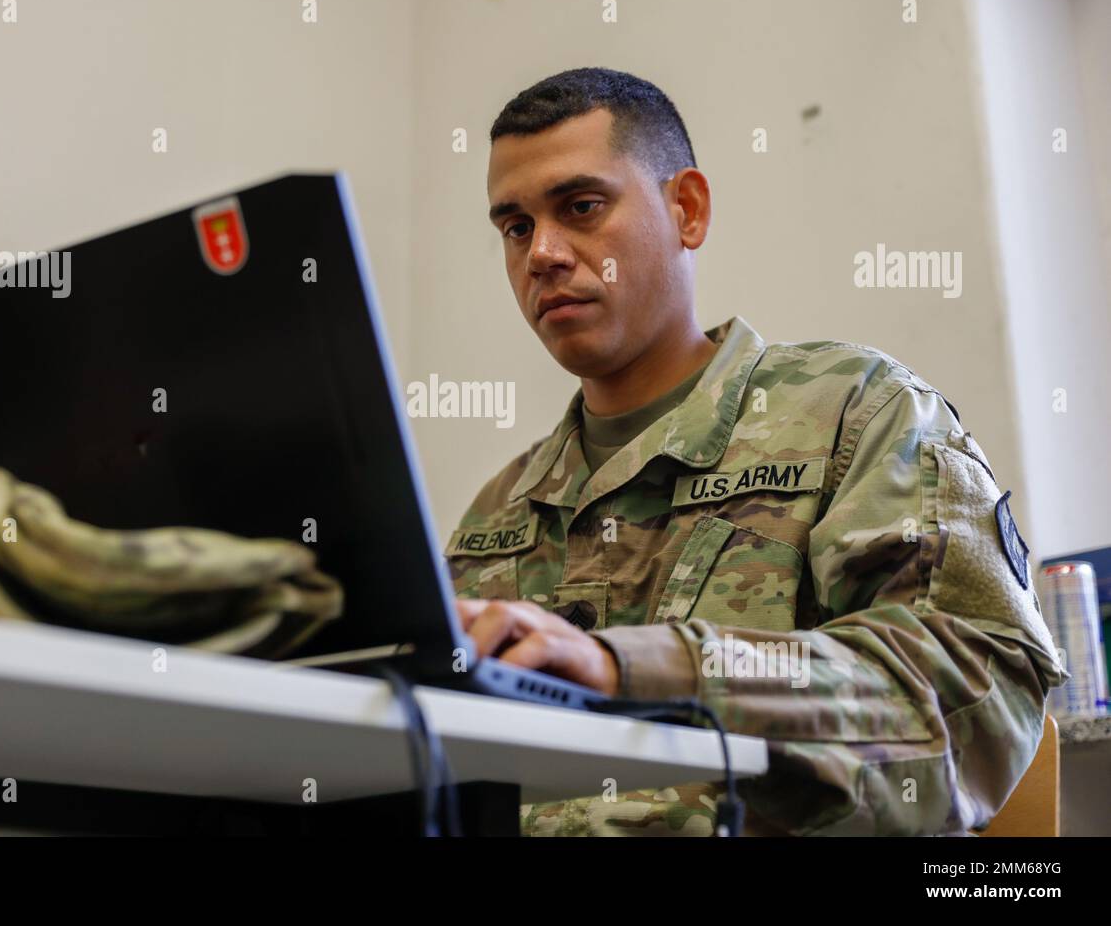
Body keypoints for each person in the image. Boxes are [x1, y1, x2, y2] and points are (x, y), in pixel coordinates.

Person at [446, 67, 1067, 836]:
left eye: (580, 207)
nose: (541, 253)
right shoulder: (496, 513)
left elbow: (968, 688)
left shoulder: (855, 413)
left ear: (687, 209)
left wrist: (640, 669)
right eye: (515, 227)